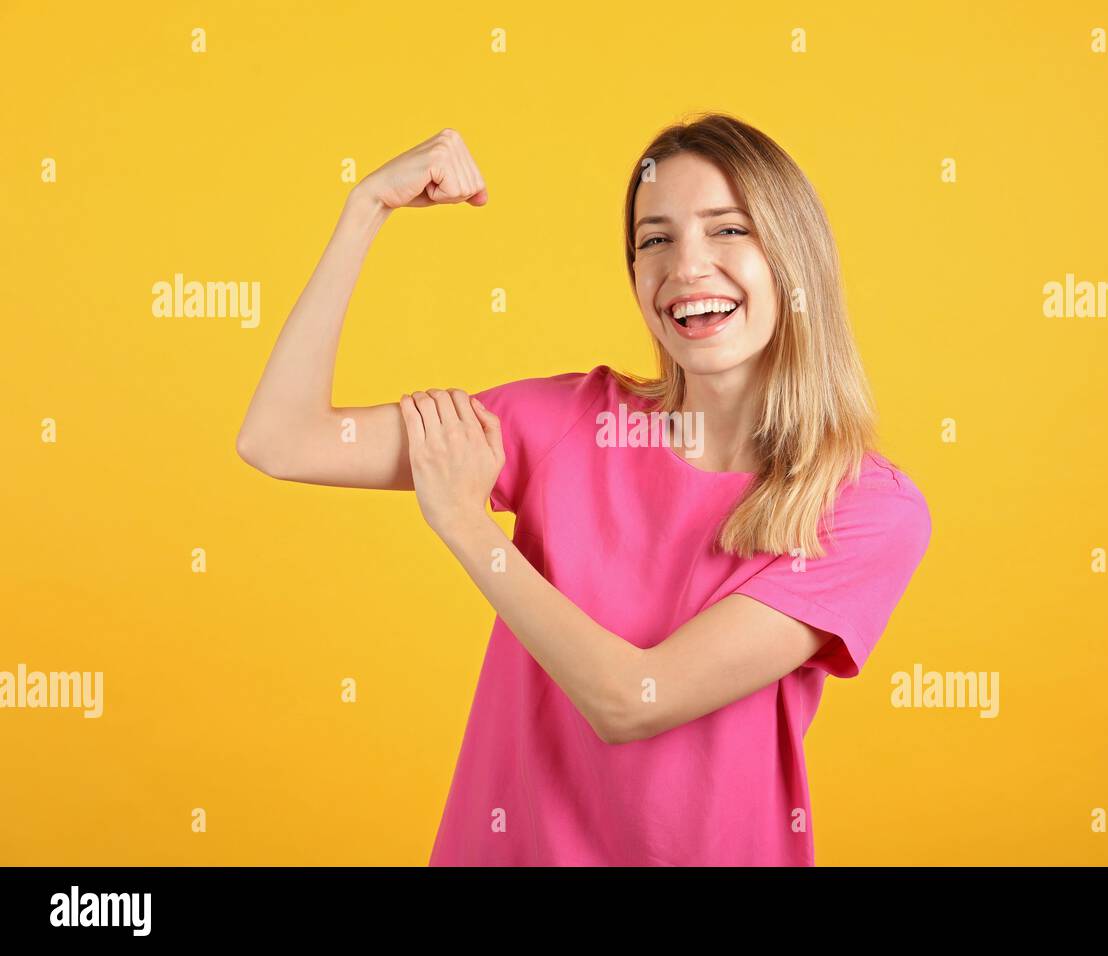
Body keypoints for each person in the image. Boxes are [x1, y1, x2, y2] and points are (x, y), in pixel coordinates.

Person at [236, 114, 932, 866]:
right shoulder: (566, 423)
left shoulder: (866, 510)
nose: (686, 267)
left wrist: (468, 528)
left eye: (728, 230)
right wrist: (365, 208)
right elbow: (280, 439)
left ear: (795, 258)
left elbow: (632, 701)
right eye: (655, 240)